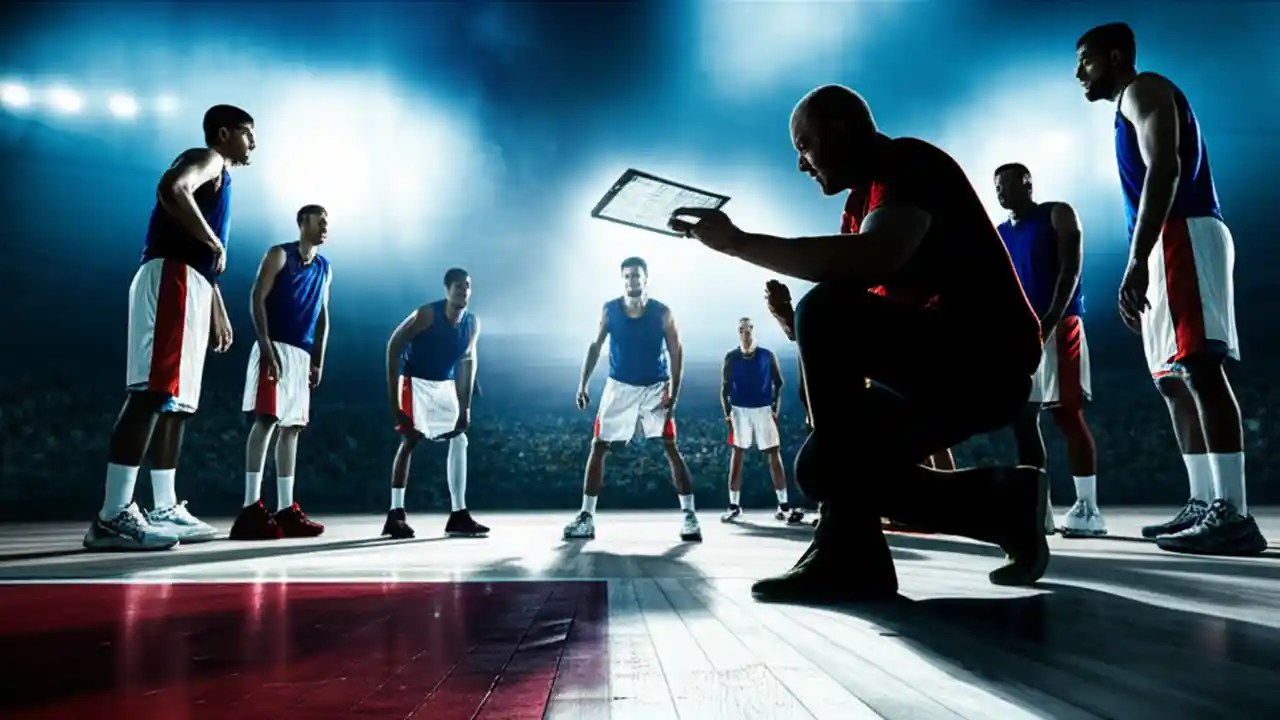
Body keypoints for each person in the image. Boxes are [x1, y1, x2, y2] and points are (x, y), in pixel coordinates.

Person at [670, 85, 1048, 602]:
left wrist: (739, 244)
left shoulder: (908, 162)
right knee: (822, 465)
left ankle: (852, 554)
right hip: (935, 368)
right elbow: (865, 325)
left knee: (823, 312)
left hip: (986, 360)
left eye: (804, 146)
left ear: (841, 130)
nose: (802, 165)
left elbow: (878, 257)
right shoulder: (858, 206)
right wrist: (794, 326)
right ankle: (1004, 504)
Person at [1076, 23, 1265, 554]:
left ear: (1115, 57)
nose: (1078, 73)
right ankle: (1205, 501)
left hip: (1183, 229)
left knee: (1200, 366)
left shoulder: (1145, 88)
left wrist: (1137, 259)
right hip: (1162, 240)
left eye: (1085, 61)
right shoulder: (1128, 105)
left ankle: (1234, 513)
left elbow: (1168, 166)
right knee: (1171, 379)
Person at [83, 105, 254, 551]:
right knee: (152, 393)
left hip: (192, 283)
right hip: (172, 278)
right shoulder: (208, 158)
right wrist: (213, 243)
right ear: (223, 133)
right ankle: (112, 515)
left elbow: (200, 250)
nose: (254, 144)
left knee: (175, 402)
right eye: (247, 134)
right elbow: (171, 188)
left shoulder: (222, 177)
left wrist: (214, 299)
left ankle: (163, 506)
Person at [994, 163, 1105, 538]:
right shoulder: (999, 234)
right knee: (1023, 418)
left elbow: (1071, 266)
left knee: (1067, 414)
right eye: (997, 187)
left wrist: (1052, 316)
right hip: (1020, 332)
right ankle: (1038, 510)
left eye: (1009, 185)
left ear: (1028, 184)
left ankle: (1088, 509)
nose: (1002, 193)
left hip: (1060, 325)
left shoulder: (1057, 212)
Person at [563, 257, 702, 542]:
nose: (632, 281)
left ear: (646, 278)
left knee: (670, 446)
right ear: (622, 279)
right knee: (599, 446)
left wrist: (674, 392)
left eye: (637, 276)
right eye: (627, 276)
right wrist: (582, 383)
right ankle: (586, 516)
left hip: (654, 387)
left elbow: (676, 351)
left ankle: (690, 516)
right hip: (619, 388)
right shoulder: (610, 310)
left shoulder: (663, 312)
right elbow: (595, 345)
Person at [230, 205, 332, 540]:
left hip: (302, 353)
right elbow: (256, 297)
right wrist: (265, 346)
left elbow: (322, 315)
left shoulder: (324, 267)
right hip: (274, 343)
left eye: (327, 222)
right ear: (303, 223)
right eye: (320, 221)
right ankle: (250, 508)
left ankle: (286, 509)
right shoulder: (278, 254)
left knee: (293, 428)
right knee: (267, 420)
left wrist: (318, 358)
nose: (325, 226)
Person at [382, 268, 488, 539]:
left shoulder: (472, 323)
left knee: (459, 437)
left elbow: (468, 362)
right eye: (457, 286)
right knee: (410, 440)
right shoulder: (427, 314)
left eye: (467, 286)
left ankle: (458, 514)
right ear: (446, 289)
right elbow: (394, 345)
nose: (463, 291)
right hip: (414, 380)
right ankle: (395, 514)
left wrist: (465, 408)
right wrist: (394, 401)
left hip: (444, 385)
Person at [719, 317, 803, 524]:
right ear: (738, 332)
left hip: (764, 409)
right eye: (741, 329)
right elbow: (724, 387)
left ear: (752, 330)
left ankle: (783, 505)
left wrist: (774, 409)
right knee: (737, 455)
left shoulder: (767, 355)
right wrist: (727, 414)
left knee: (773, 454)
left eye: (747, 328)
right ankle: (733, 505)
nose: (744, 332)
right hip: (739, 411)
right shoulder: (731, 357)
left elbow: (779, 383)